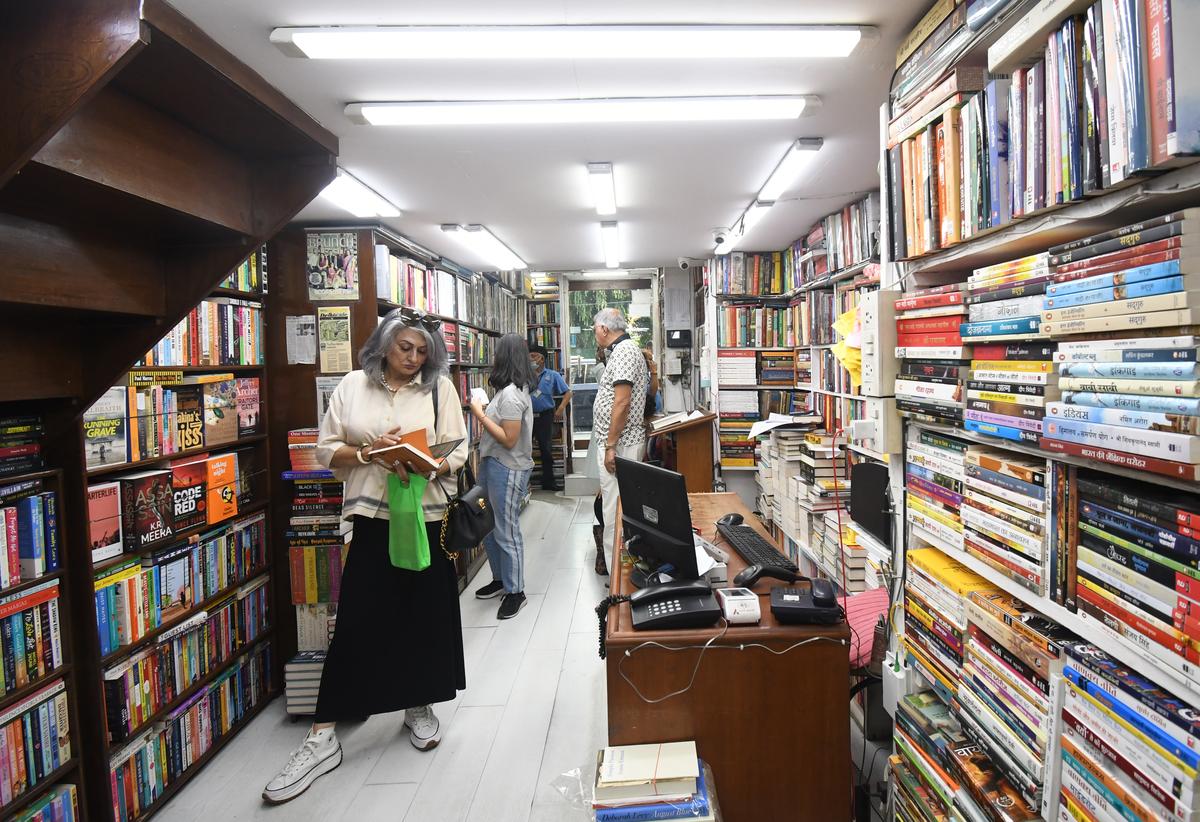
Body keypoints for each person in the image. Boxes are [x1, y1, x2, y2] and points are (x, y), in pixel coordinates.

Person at [262, 307, 469, 805]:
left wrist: (422, 460)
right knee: (357, 621)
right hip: (371, 520)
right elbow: (325, 449)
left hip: (425, 518)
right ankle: (323, 734)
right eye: (405, 349)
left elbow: (457, 453)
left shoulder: (439, 389)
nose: (414, 359)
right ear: (384, 344)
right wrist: (370, 454)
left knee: (424, 616)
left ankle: (418, 706)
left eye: (422, 352)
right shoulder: (353, 386)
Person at [468, 334, 535, 619]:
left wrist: (479, 415)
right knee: (489, 526)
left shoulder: (510, 395)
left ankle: (515, 590)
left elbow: (509, 439)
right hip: (494, 464)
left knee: (506, 529)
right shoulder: (507, 390)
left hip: (507, 466)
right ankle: (501, 579)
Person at [591, 308, 650, 574]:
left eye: (595, 329)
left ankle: (618, 576)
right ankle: (621, 571)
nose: (595, 335)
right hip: (619, 443)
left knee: (615, 511)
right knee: (615, 507)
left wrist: (611, 446)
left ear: (604, 329)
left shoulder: (625, 351)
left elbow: (622, 401)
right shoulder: (621, 351)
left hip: (621, 445)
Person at [528, 345, 572, 492]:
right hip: (526, 417)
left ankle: (548, 482)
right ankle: (524, 482)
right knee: (524, 449)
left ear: (542, 358)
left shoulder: (553, 375)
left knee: (546, 449)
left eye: (533, 356)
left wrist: (560, 408)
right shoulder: (524, 375)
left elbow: (568, 393)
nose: (530, 359)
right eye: (529, 356)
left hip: (545, 416)